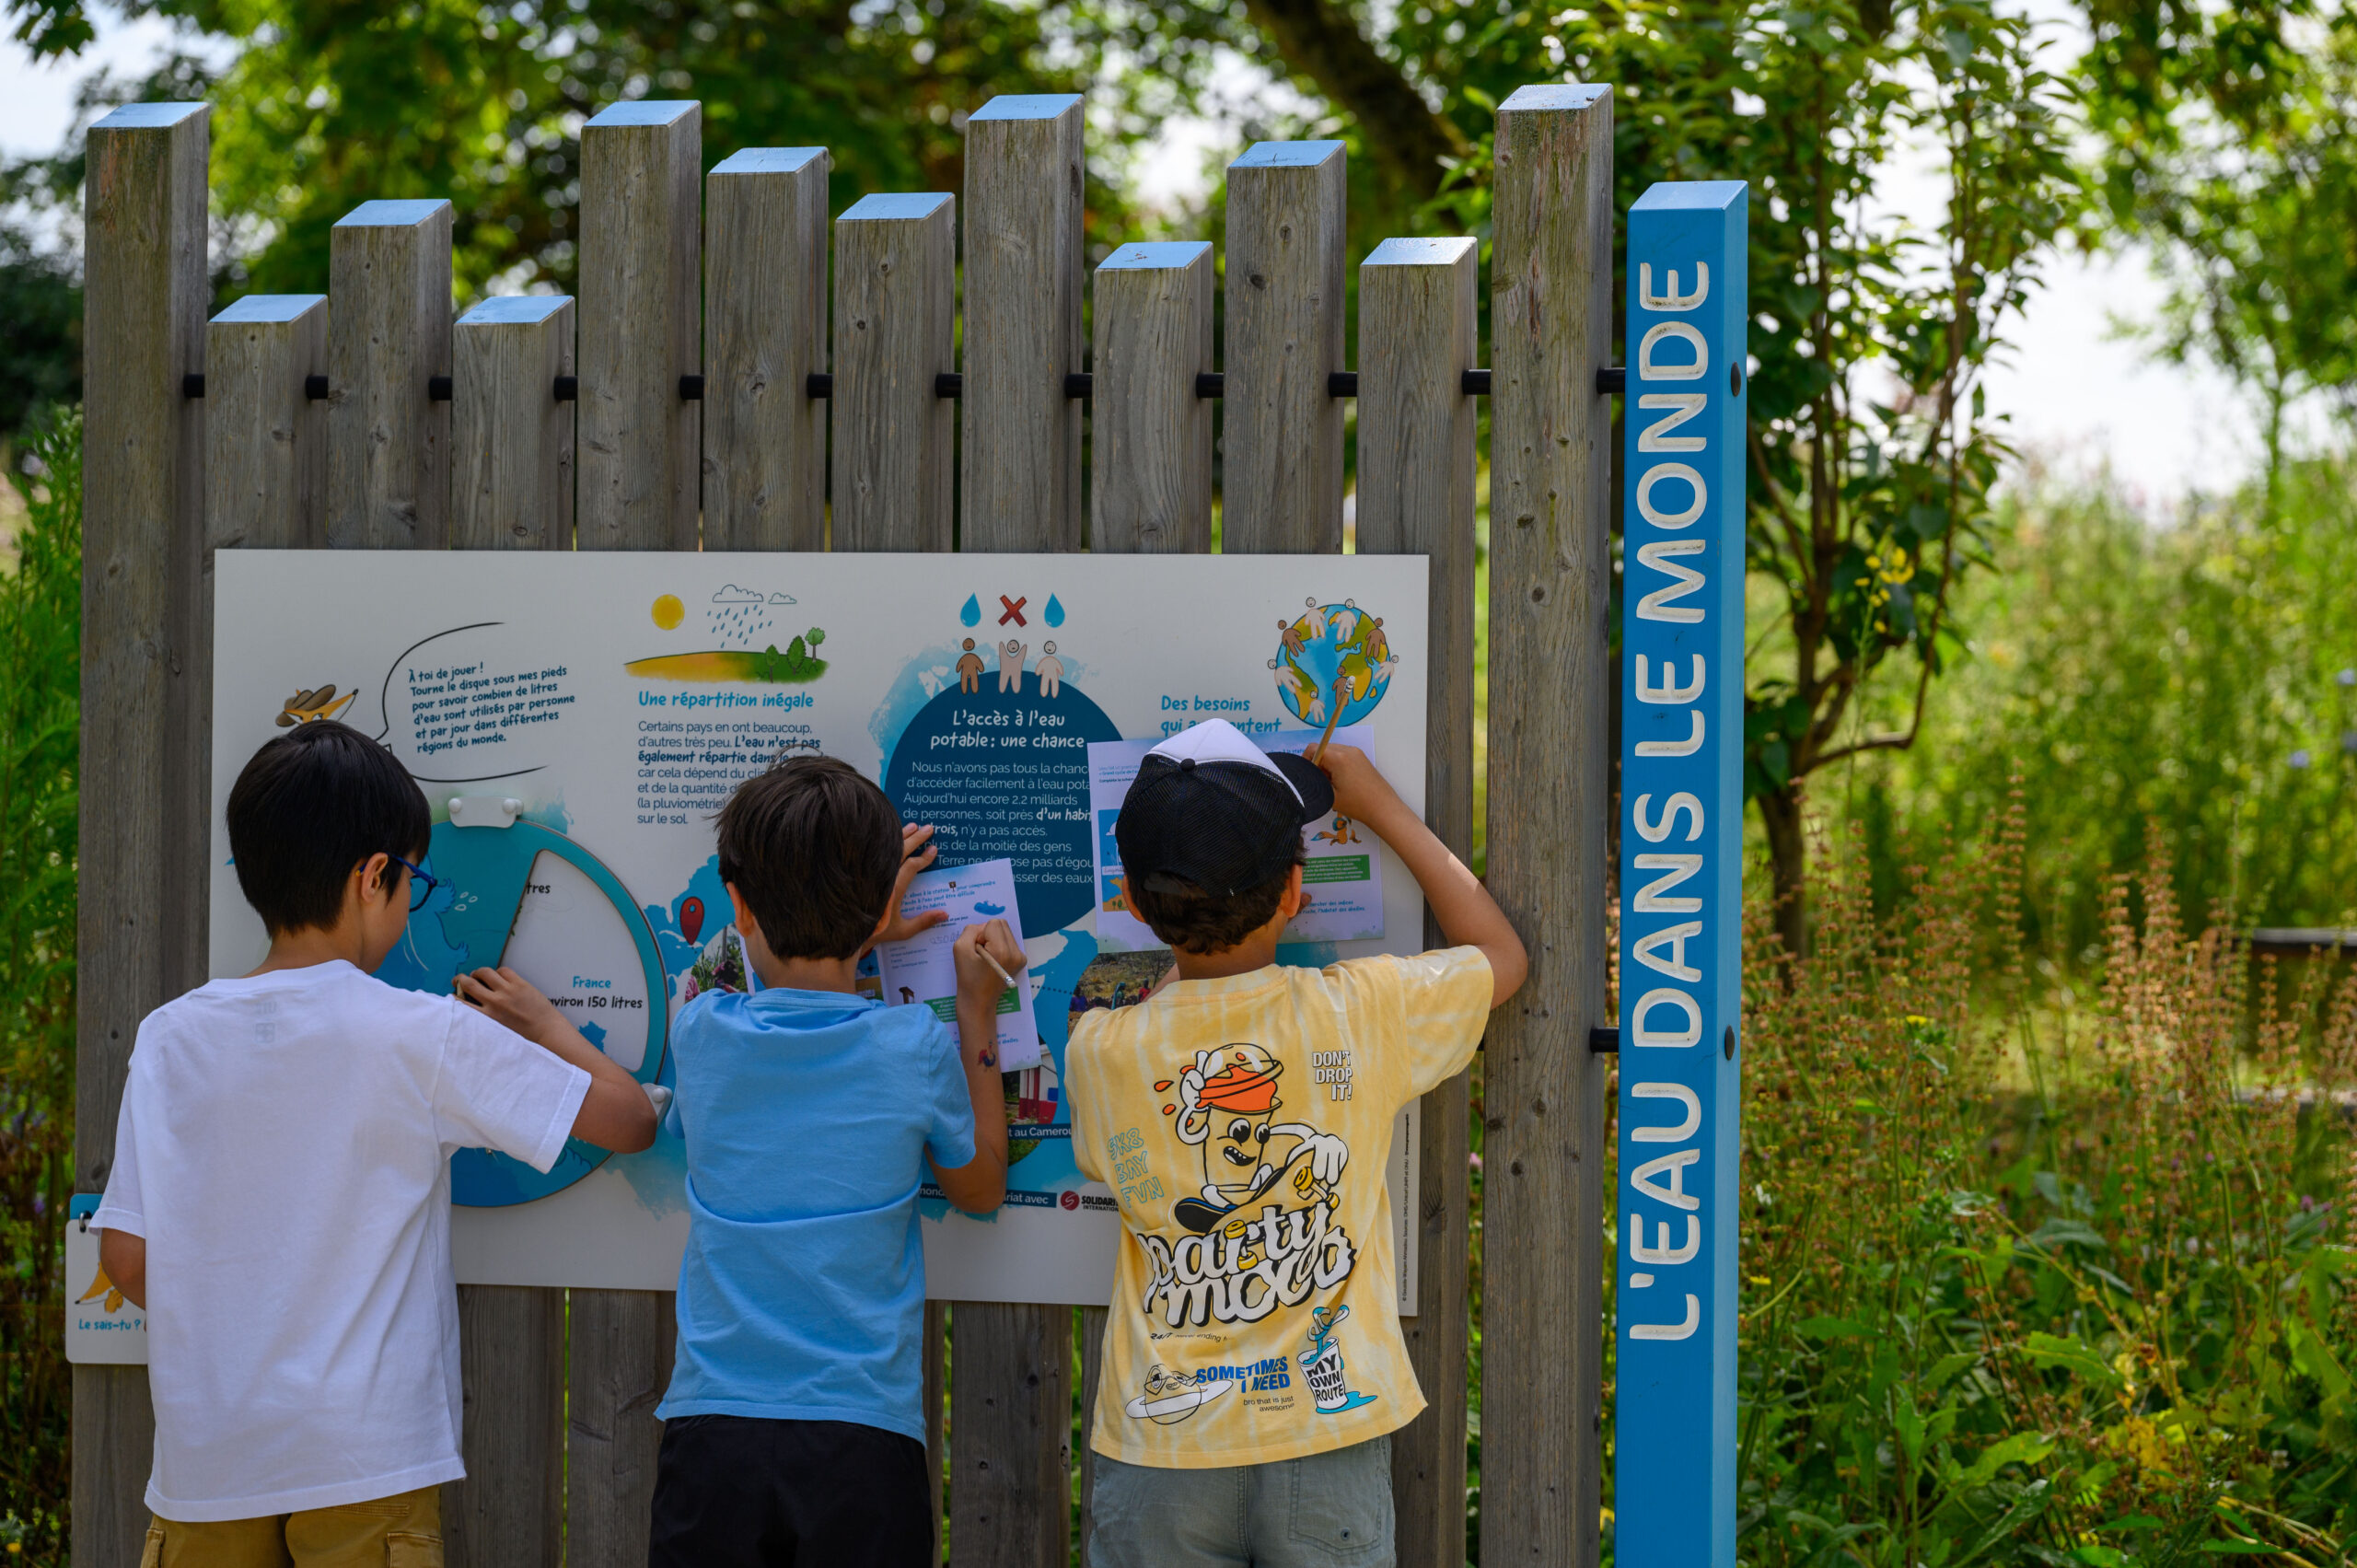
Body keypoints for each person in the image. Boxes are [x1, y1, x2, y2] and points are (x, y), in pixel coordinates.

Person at [91, 720, 658, 1566]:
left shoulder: (171, 1037)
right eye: (412, 881)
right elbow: (631, 1119)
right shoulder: (419, 1035)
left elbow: (129, 1261)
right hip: (367, 1462)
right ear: (373, 878)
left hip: (207, 1467)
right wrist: (542, 1021)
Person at [1065, 720, 1527, 1568]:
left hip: (1163, 1446)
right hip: (1327, 1429)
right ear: (1293, 892)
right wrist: (1379, 806)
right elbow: (1499, 955)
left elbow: (1165, 1017)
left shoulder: (1100, 1051)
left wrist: (1192, 930)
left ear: (1129, 901)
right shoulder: (1357, 1010)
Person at [648, 755, 1020, 1568]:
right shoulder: (915, 1045)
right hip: (863, 1438)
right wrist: (976, 1011)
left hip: (715, 1436)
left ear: (738, 903)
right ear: (879, 909)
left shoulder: (702, 1032)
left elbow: (760, 982)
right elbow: (982, 1187)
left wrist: (846, 932)